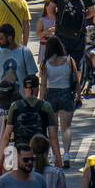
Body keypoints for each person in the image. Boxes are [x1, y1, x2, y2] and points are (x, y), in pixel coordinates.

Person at [0, 21, 38, 154]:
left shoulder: (24, 52)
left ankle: (15, 165)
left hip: (20, 103)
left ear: (10, 37)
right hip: (1, 104)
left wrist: (32, 101)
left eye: (1, 38)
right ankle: (1, 165)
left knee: (18, 139)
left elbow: (33, 80)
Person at [0, 72, 61, 174]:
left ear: (25, 89)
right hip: (40, 153)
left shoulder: (15, 106)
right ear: (36, 89)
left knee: (20, 182)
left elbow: (6, 136)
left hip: (21, 153)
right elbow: (53, 136)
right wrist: (58, 157)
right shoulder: (46, 106)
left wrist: (0, 160)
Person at [39, 36, 80, 168]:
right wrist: (78, 96)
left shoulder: (46, 63)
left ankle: (54, 155)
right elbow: (77, 80)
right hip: (67, 94)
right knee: (66, 127)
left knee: (53, 128)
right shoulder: (69, 60)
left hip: (51, 95)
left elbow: (43, 84)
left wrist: (40, 100)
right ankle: (66, 154)